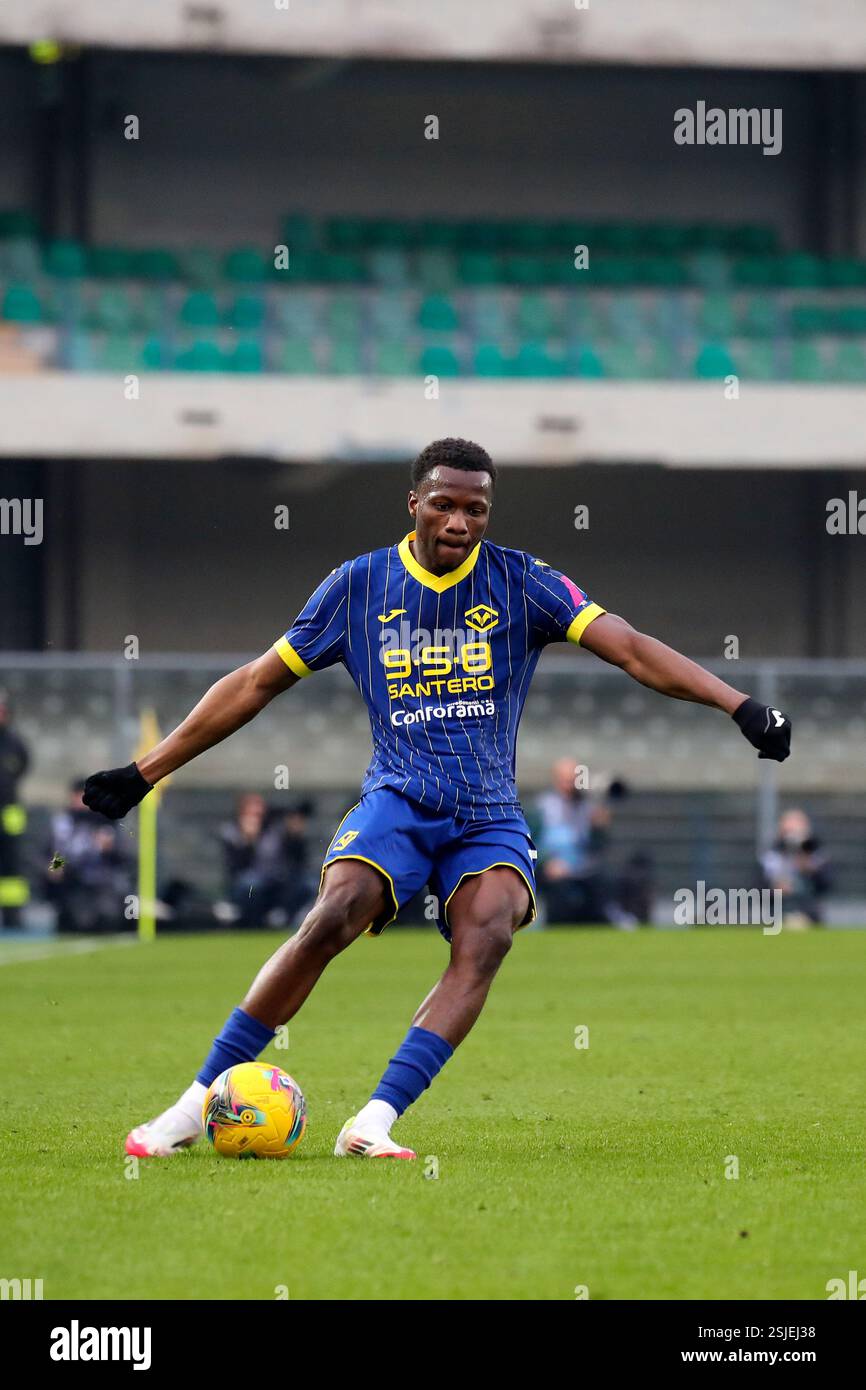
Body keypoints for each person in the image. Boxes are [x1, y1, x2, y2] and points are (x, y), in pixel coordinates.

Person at [82, 436, 792, 1160]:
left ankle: (374, 1121)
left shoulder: (525, 582)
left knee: (489, 932)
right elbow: (255, 683)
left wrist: (738, 706)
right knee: (336, 913)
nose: (460, 522)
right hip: (399, 797)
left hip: (488, 812)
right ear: (415, 504)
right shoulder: (357, 587)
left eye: (476, 509)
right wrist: (146, 770)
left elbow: (632, 647)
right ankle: (194, 1104)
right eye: (446, 505)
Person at [45, 780, 133, 933]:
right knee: (74, 921)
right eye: (77, 797)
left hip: (103, 885)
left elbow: (125, 858)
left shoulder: (107, 822)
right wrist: (56, 868)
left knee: (106, 918)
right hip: (75, 884)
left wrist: (109, 849)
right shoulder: (63, 824)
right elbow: (59, 851)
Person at [217, 793, 315, 927]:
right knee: (250, 885)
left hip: (279, 878)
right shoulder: (232, 833)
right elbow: (236, 867)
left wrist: (295, 836)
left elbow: (298, 858)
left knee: (307, 884)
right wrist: (248, 842)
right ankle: (253, 922)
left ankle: (287, 919)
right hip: (250, 879)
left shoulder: (275, 829)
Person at [535, 758, 614, 923]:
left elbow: (597, 847)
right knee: (560, 894)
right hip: (552, 868)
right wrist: (547, 862)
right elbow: (531, 842)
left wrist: (599, 828)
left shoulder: (587, 807)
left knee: (601, 887)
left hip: (583, 868)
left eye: (573, 780)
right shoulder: (541, 807)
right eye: (565, 780)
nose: (569, 785)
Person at [760, 808, 831, 927]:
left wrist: (810, 870)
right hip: (776, 912)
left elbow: (827, 884)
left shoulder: (816, 857)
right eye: (788, 832)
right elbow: (756, 888)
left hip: (809, 913)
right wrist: (774, 888)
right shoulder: (771, 858)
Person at [0, 690, 31, 928]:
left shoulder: (15, 742)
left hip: (10, 813)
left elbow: (22, 767)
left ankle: (12, 916)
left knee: (11, 866)